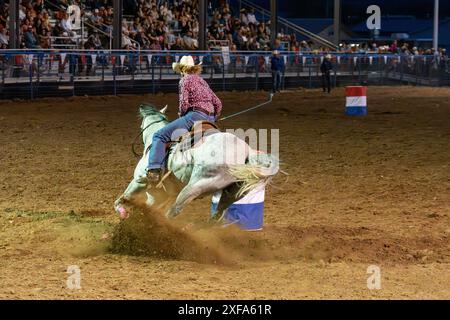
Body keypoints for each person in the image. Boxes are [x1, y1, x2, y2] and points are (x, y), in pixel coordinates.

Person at [145, 55, 222, 183]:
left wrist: (181, 115)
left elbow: (184, 103)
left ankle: (154, 170)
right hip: (209, 118)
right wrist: (213, 118)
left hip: (194, 116)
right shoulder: (202, 81)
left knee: (159, 136)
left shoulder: (184, 80)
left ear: (182, 69)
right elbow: (218, 103)